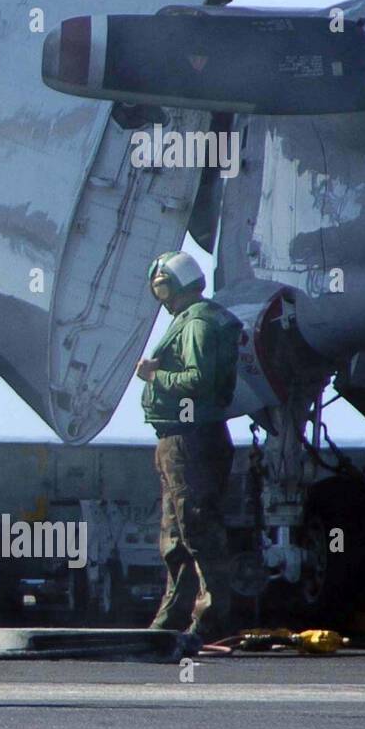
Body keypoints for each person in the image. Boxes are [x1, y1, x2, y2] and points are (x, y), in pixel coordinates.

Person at [135, 250, 242, 655]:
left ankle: (207, 619)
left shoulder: (196, 322)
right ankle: (172, 621)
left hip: (188, 441)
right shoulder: (203, 317)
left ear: (166, 285)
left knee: (196, 530)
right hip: (184, 440)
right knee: (178, 535)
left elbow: (198, 379)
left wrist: (154, 376)